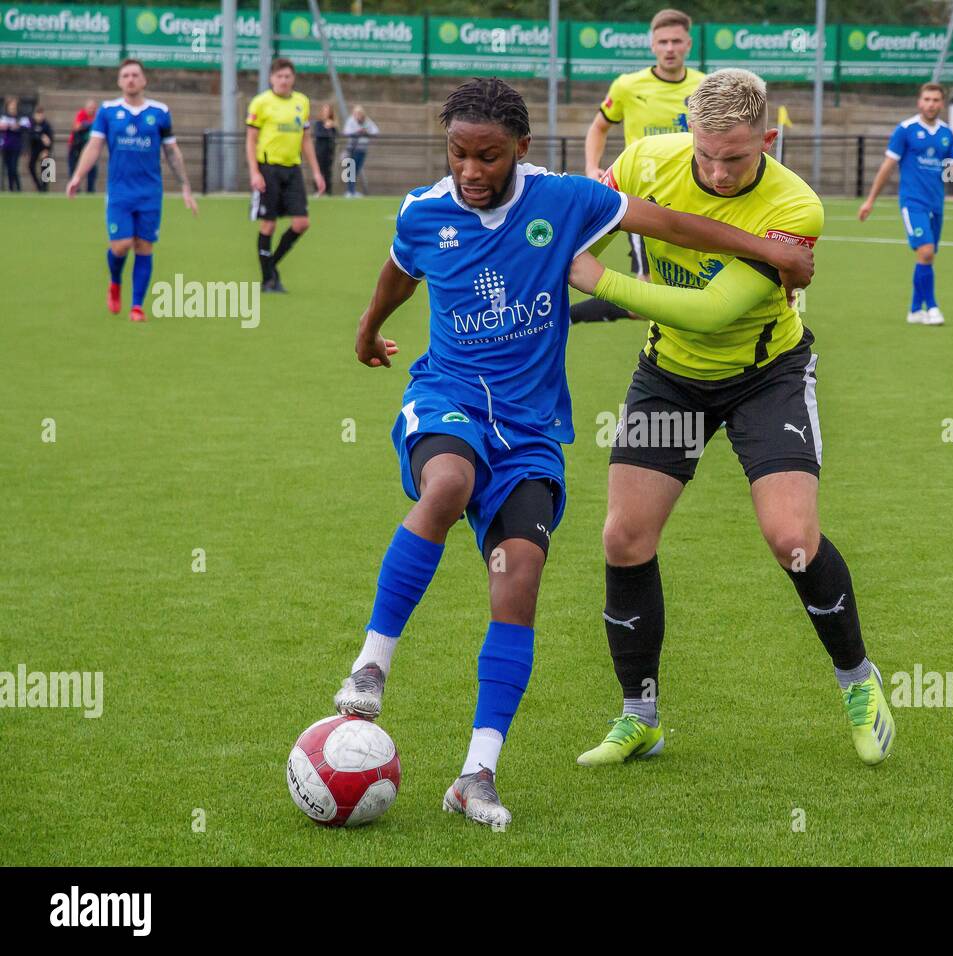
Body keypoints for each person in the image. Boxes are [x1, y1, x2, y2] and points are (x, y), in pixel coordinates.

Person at [331, 77, 812, 829]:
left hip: (530, 432)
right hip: (448, 399)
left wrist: (772, 253)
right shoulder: (425, 213)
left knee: (517, 578)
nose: (470, 170)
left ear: (520, 150)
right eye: (458, 154)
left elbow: (675, 224)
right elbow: (400, 269)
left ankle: (477, 774)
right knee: (448, 482)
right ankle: (370, 666)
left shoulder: (564, 200)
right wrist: (366, 330)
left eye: (488, 156)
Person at [561, 68, 896, 771]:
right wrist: (573, 256)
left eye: (735, 157)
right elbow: (577, 227)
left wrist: (597, 282)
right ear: (688, 132)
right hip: (669, 379)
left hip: (765, 378)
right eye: (704, 154)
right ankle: (639, 717)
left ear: (767, 140)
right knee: (624, 537)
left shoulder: (795, 207)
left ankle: (857, 681)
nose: (715, 171)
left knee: (792, 539)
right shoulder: (645, 161)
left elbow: (712, 311)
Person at [573, 8, 706, 322]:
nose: (669, 48)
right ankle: (567, 315)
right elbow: (598, 127)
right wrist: (593, 166)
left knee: (682, 287)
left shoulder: (705, 86)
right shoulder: (628, 86)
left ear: (689, 44)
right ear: (652, 46)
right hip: (644, 196)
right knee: (649, 289)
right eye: (663, 42)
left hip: (696, 195)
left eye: (676, 41)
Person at [66, 60, 200, 323]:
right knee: (121, 245)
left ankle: (137, 306)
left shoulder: (160, 112)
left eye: (135, 75)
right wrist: (77, 176)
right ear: (119, 81)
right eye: (125, 75)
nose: (130, 79)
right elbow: (94, 146)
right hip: (119, 191)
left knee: (144, 246)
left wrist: (185, 185)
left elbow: (171, 151)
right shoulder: (108, 111)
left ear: (144, 80)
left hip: (150, 192)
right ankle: (115, 282)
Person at [857, 82, 953, 326]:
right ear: (919, 102)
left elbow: (949, 170)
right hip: (913, 202)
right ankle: (932, 307)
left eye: (935, 100)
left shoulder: (946, 133)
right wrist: (870, 200)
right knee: (926, 252)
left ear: (942, 104)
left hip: (937, 204)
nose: (930, 104)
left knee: (927, 256)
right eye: (926, 99)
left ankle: (915, 310)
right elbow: (888, 166)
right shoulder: (906, 130)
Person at [245, 58, 325, 293]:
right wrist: (254, 172)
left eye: (287, 76)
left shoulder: (302, 102)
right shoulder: (260, 103)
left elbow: (306, 139)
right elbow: (250, 140)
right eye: (279, 76)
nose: (283, 80)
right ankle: (268, 279)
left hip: (293, 170)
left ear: (293, 78)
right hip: (268, 169)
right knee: (268, 224)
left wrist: (317, 172)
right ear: (271, 78)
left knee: (302, 223)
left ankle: (270, 267)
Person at [342, 105, 378, 198]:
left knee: (356, 170)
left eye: (359, 113)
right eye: (356, 113)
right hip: (353, 149)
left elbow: (375, 131)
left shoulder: (367, 121)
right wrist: (357, 132)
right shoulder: (351, 121)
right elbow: (346, 132)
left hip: (362, 149)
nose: (357, 115)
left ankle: (352, 191)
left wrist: (366, 132)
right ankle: (350, 191)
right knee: (351, 170)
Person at [68, 98, 99, 193]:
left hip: (89, 147)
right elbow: (77, 127)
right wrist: (88, 124)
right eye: (90, 108)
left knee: (92, 169)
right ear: (86, 108)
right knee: (74, 168)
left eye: (94, 108)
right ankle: (75, 189)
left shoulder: (97, 117)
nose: (92, 110)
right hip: (76, 146)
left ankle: (90, 190)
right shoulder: (82, 114)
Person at [1, 98, 27, 192]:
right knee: (8, 168)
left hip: (16, 146)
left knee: (13, 167)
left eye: (14, 107)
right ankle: (11, 188)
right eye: (11, 107)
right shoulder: (4, 117)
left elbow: (26, 127)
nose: (12, 108)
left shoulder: (21, 118)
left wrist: (17, 126)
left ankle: (18, 187)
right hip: (6, 146)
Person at [312, 102, 338, 195]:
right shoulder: (319, 123)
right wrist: (326, 128)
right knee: (319, 170)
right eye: (325, 110)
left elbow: (335, 135)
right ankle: (317, 190)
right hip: (320, 150)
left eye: (328, 111)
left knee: (328, 171)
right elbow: (318, 134)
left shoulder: (332, 124)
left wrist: (332, 127)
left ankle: (328, 191)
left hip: (329, 150)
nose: (326, 112)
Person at [27, 106, 53, 192]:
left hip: (44, 149)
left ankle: (44, 188)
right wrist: (41, 137)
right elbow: (30, 136)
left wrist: (47, 150)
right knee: (31, 166)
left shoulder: (47, 125)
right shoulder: (31, 124)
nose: (40, 117)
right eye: (38, 115)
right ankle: (38, 186)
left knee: (46, 166)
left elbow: (50, 139)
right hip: (34, 149)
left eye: (41, 115)